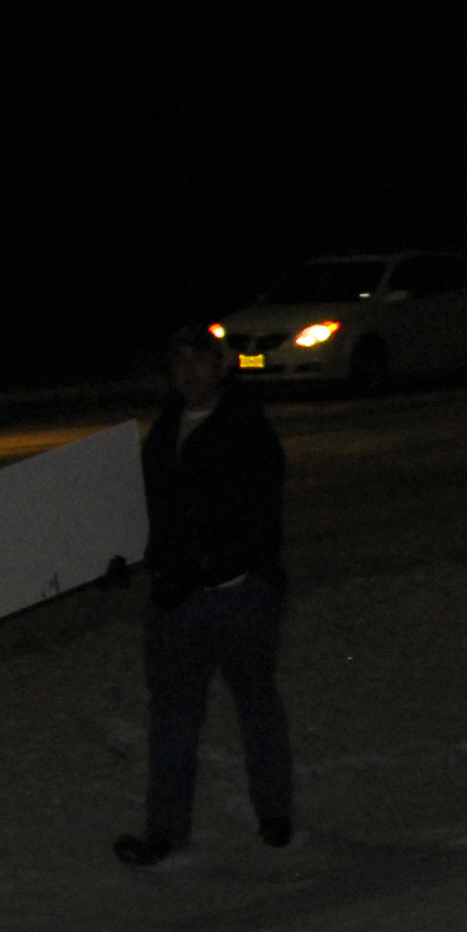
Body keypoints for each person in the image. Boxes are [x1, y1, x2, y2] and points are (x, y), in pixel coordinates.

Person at [114, 326, 295, 867]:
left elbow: (257, 517)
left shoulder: (246, 429)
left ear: (220, 366)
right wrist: (123, 556)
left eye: (199, 362)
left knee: (256, 707)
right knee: (171, 719)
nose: (189, 374)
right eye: (179, 364)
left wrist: (212, 566)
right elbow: (148, 511)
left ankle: (274, 815)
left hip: (236, 596)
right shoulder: (165, 430)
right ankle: (164, 832)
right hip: (176, 601)